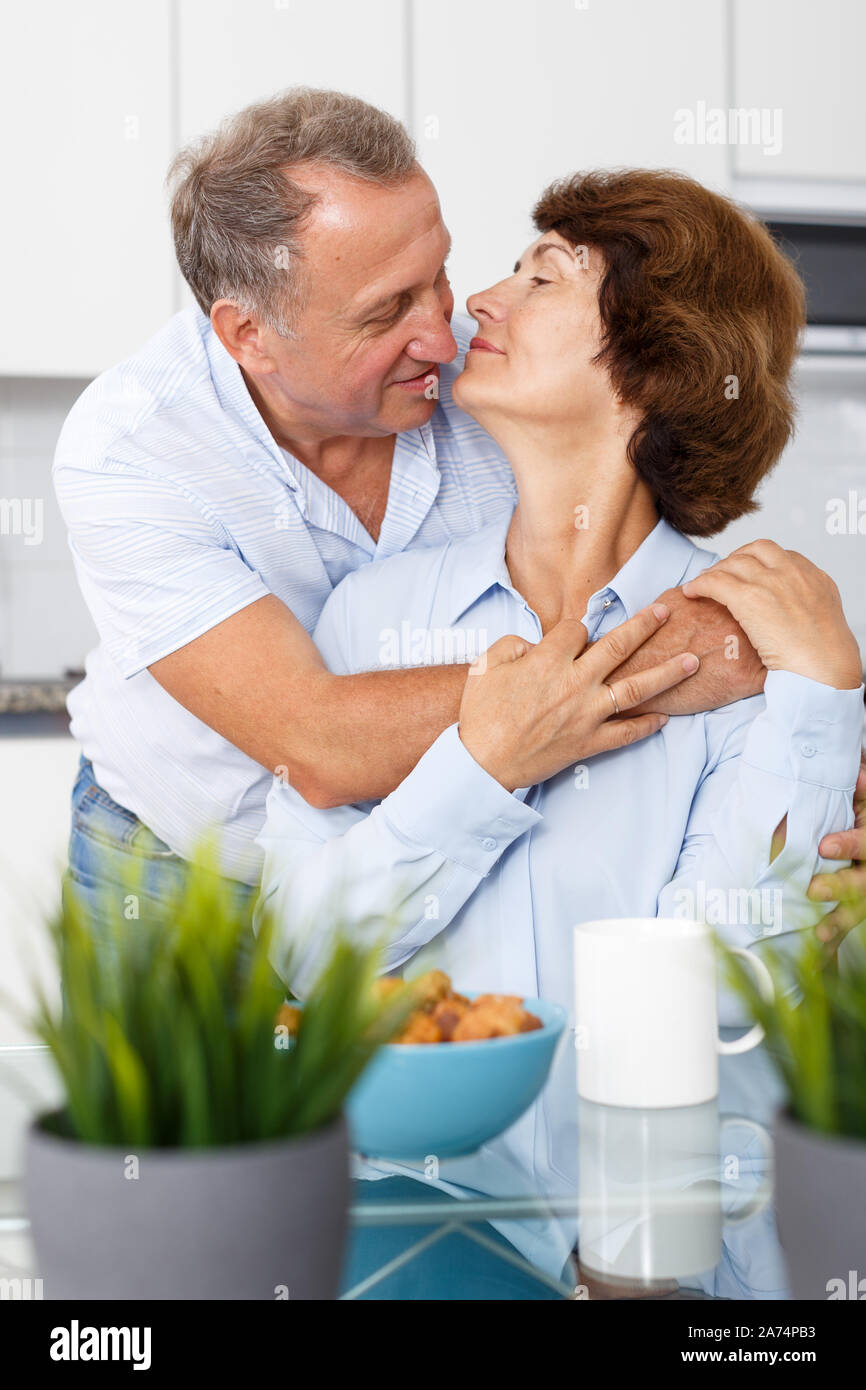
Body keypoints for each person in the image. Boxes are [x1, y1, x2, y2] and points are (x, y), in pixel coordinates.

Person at [54, 89, 864, 946]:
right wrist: (732, 668)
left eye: (435, 276)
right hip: (172, 858)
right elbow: (320, 747)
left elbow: (740, 956)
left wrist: (817, 735)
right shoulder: (133, 448)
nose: (449, 329)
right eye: (384, 312)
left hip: (409, 880)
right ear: (249, 335)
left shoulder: (500, 391)